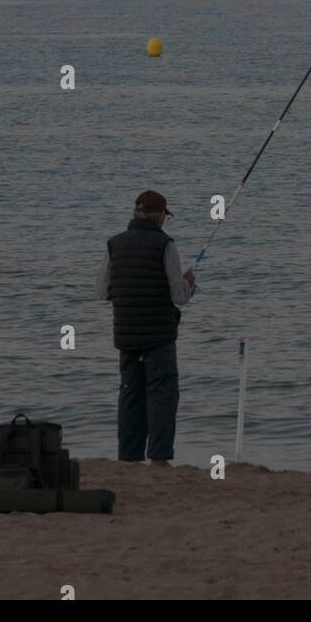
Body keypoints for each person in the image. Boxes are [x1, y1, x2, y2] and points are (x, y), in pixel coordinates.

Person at [97, 190, 196, 464]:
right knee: (162, 394)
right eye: (166, 216)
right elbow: (179, 296)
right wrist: (190, 282)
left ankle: (128, 459)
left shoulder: (114, 244)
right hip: (159, 337)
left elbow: (102, 291)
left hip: (127, 336)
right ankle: (160, 458)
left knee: (130, 395)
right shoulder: (166, 245)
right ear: (161, 217)